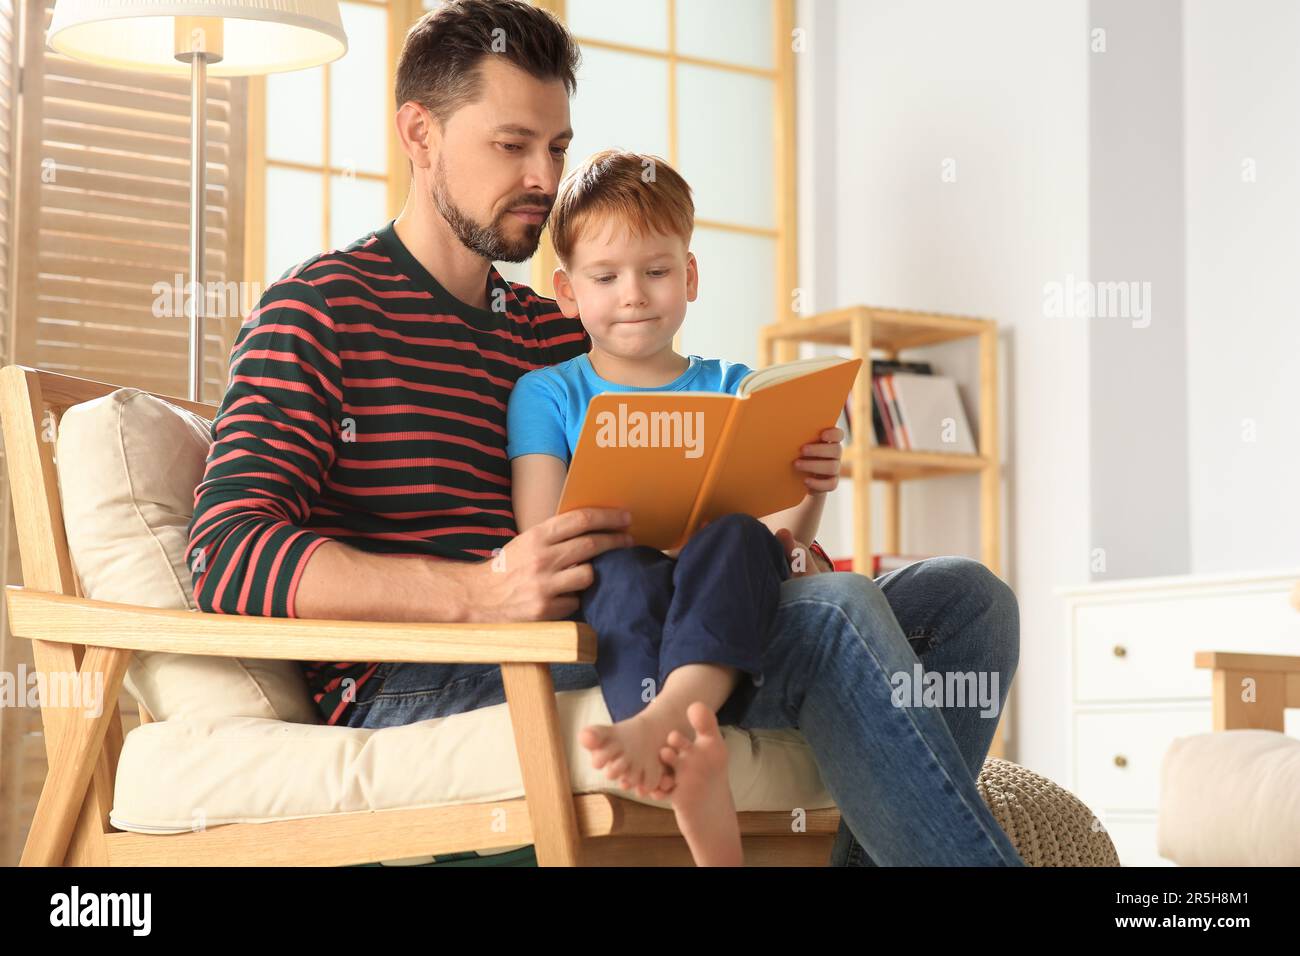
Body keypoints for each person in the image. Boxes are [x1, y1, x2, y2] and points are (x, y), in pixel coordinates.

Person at [188, 0, 1024, 866]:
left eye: (555, 148)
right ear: (420, 132)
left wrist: (778, 525)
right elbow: (225, 556)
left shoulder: (555, 329)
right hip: (433, 669)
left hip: (628, 621)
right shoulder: (319, 310)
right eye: (511, 146)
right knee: (836, 615)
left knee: (966, 603)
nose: (544, 179)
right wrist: (480, 591)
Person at [506, 150, 844, 864]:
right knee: (625, 571)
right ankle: (693, 760)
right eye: (605, 277)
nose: (633, 294)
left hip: (724, 577)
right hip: (617, 580)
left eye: (656, 272)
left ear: (688, 277)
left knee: (732, 538)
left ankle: (666, 726)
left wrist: (810, 492)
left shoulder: (737, 385)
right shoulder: (547, 393)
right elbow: (542, 531)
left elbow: (779, 543)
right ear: (566, 292)